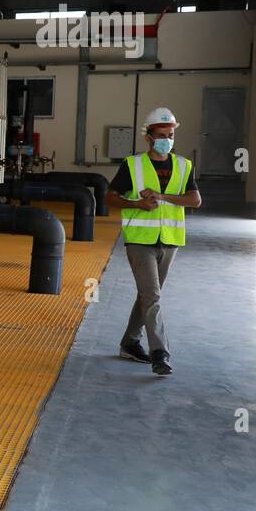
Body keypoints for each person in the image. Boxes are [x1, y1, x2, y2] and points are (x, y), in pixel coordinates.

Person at [104, 107, 201, 376]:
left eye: (170, 135)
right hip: (139, 240)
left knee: (147, 295)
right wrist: (136, 203)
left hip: (170, 240)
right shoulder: (132, 165)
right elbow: (109, 198)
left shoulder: (184, 165)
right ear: (148, 137)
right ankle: (161, 352)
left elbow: (195, 200)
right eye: (162, 135)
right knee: (153, 296)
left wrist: (161, 196)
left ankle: (130, 343)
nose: (167, 140)